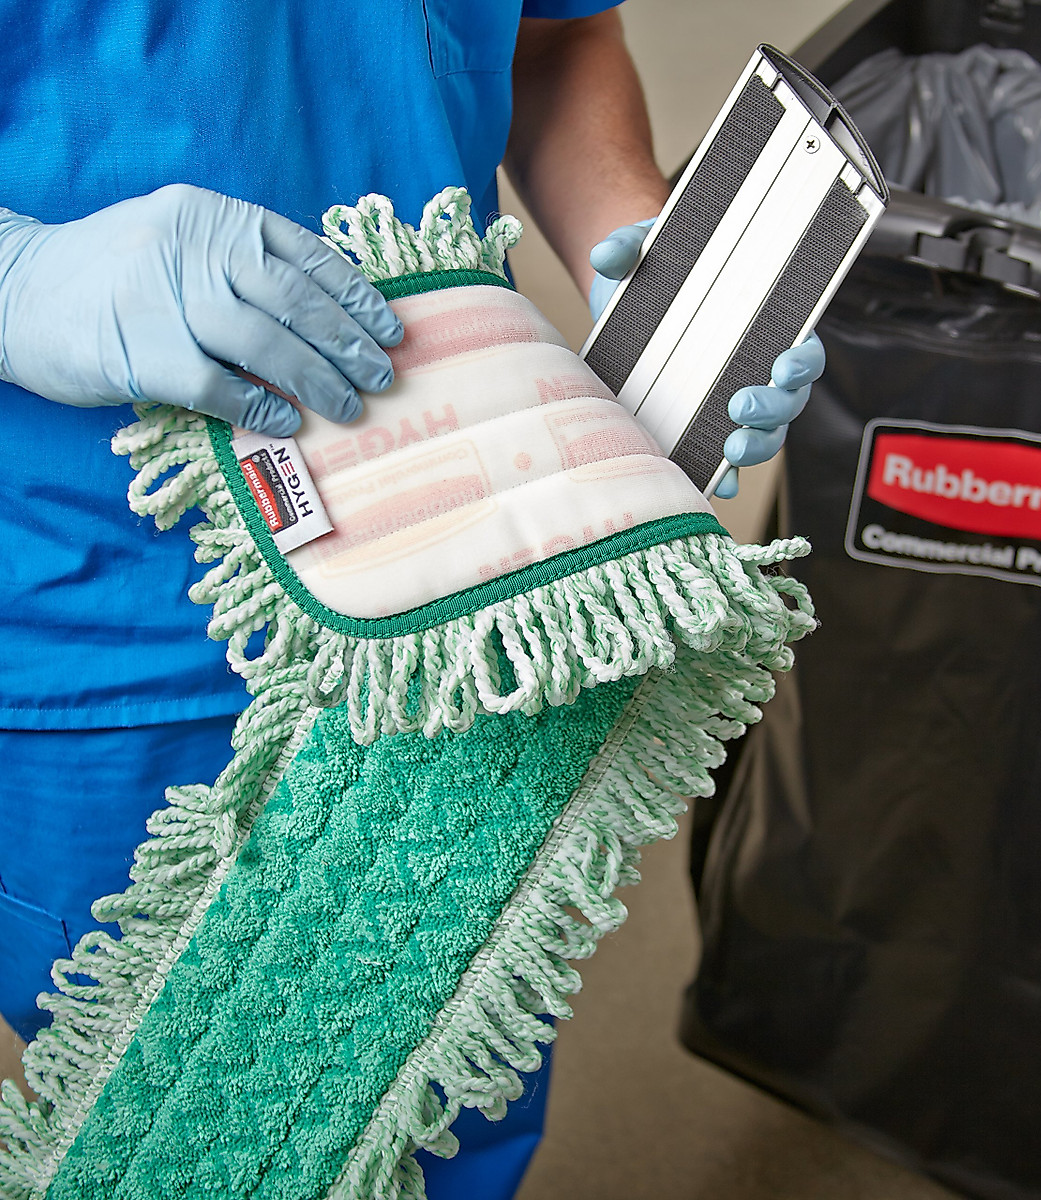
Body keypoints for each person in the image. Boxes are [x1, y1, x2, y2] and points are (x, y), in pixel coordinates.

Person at [0, 3, 823, 1195]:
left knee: (435, 1123)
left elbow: (555, 37)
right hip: (109, 628)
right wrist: (19, 277)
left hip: (486, 594)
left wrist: (643, 244)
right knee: (203, 1150)